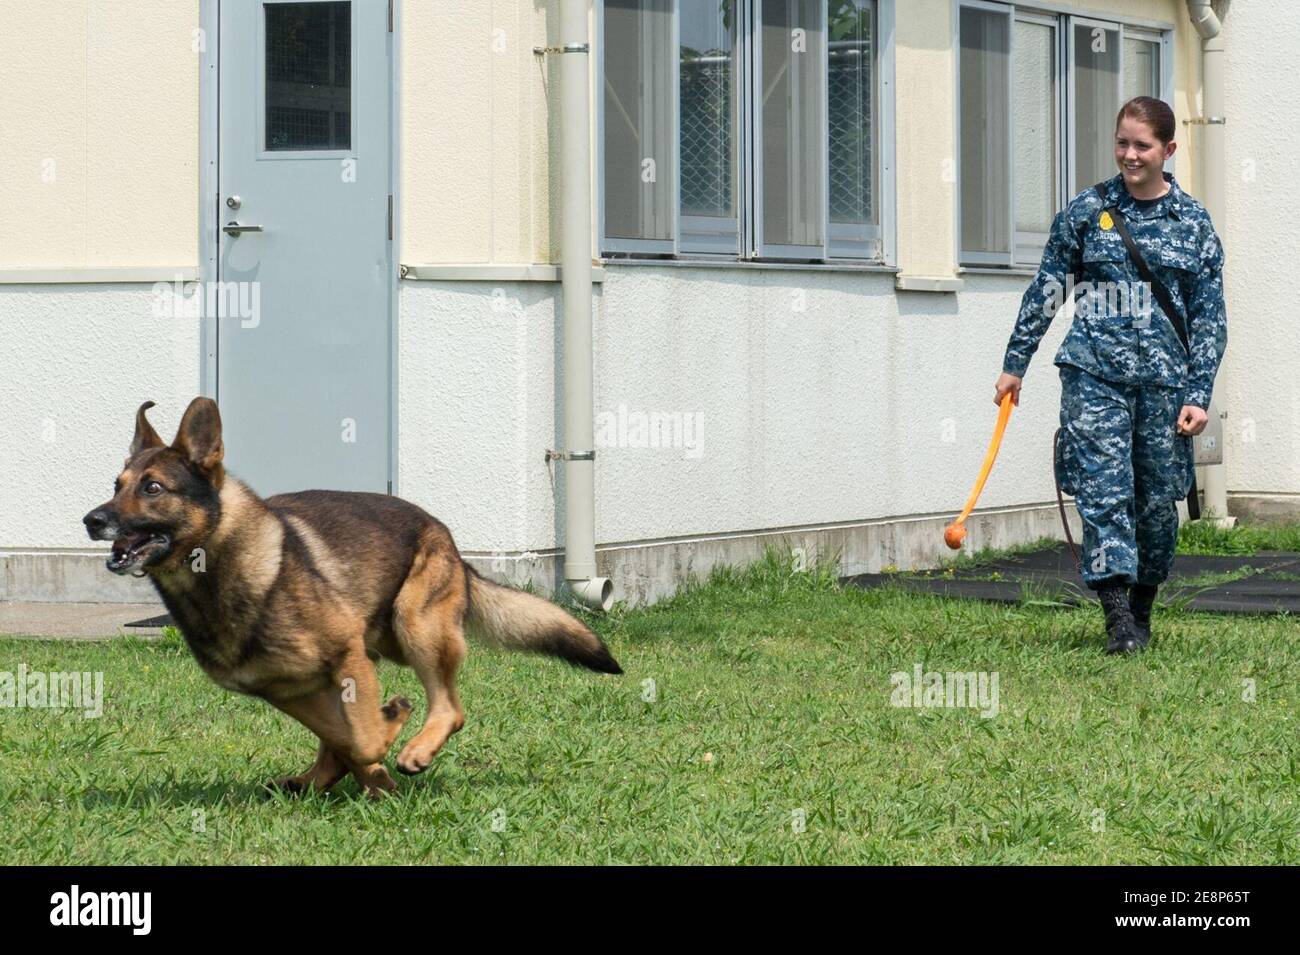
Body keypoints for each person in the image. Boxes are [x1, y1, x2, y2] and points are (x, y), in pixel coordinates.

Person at [993, 96, 1227, 655]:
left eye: (1142, 145)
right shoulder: (1085, 212)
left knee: (1154, 504)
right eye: (1122, 142)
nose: (1129, 154)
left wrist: (1199, 394)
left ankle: (1142, 610)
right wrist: (1014, 364)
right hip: (1093, 375)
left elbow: (1210, 317)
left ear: (1168, 150)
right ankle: (1118, 619)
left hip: (1166, 388)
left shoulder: (1193, 223)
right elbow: (1048, 289)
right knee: (1103, 493)